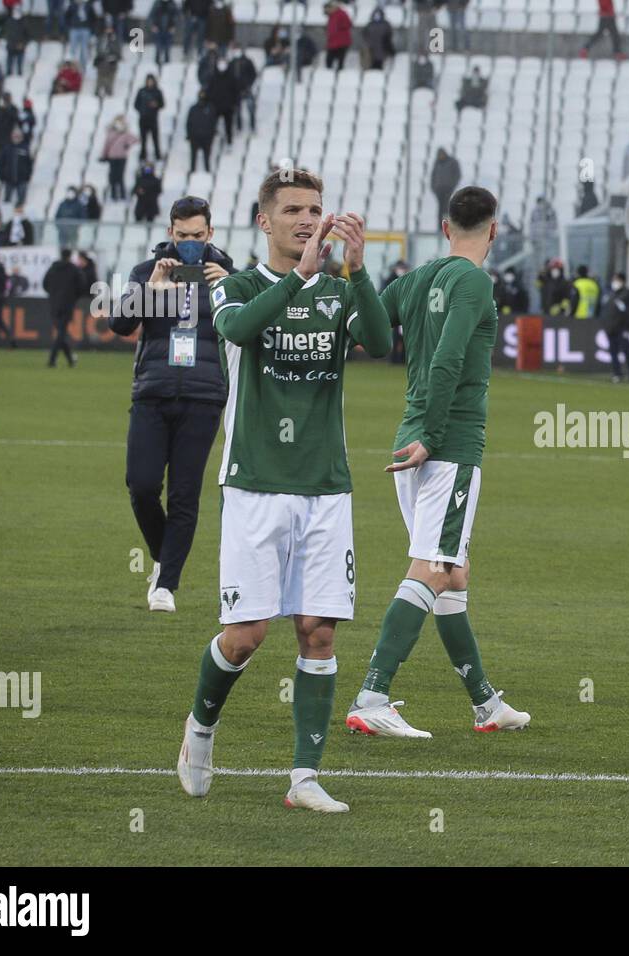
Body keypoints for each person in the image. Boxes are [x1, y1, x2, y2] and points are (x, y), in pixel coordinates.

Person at [176, 168, 392, 813]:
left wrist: (356, 270)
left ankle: (304, 779)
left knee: (318, 634)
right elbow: (239, 331)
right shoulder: (233, 287)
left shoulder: (336, 289)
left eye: (316, 209)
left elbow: (380, 344)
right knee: (244, 637)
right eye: (294, 209)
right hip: (255, 487)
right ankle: (200, 733)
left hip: (326, 487)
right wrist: (299, 276)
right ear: (264, 222)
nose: (308, 218)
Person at [346, 184, 530, 740]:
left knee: (452, 572)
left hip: (411, 443)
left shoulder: (420, 277)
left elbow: (367, 334)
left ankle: (485, 703)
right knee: (431, 568)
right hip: (446, 446)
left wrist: (356, 274)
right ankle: (373, 693)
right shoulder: (475, 282)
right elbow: (450, 356)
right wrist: (432, 433)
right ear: (493, 231)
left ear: (445, 227)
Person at [111, 194, 233, 612]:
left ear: (210, 233)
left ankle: (166, 583)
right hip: (152, 392)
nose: (190, 243)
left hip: (204, 396)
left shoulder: (229, 275)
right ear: (170, 233)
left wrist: (225, 289)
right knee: (141, 485)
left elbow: (248, 329)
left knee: (184, 494)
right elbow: (119, 324)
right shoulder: (146, 272)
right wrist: (151, 292)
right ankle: (165, 554)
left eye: (198, 236)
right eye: (182, 236)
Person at [43, 246, 84, 367]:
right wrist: (74, 297)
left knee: (61, 333)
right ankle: (52, 359)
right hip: (67, 304)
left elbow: (45, 284)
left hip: (54, 304)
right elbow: (81, 286)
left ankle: (70, 360)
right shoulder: (74, 270)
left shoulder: (53, 268)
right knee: (61, 333)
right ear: (70, 256)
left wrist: (53, 294)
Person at [600, 271, 629, 382]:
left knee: (626, 350)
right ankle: (617, 373)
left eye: (617, 280)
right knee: (613, 352)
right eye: (614, 279)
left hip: (623, 327)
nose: (614, 282)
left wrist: (628, 325)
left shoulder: (627, 293)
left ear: (622, 281)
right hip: (611, 327)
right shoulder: (610, 294)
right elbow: (606, 311)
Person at [101, 116, 137, 200]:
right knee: (113, 176)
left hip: (122, 157)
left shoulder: (125, 133)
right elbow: (106, 145)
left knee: (120, 176)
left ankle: (122, 194)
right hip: (112, 157)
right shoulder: (111, 133)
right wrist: (104, 155)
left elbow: (135, 139)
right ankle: (114, 195)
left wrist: (128, 144)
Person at [205, 54, 237, 147]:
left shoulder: (231, 77)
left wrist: (234, 104)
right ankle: (211, 141)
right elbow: (209, 91)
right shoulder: (213, 77)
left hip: (228, 107)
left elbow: (235, 92)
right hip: (215, 106)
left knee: (228, 126)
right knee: (212, 124)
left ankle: (229, 142)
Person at [135, 74, 164, 161]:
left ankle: (157, 154)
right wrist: (142, 110)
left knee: (155, 137)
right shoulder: (141, 91)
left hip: (153, 118)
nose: (150, 82)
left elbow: (162, 104)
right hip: (143, 118)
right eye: (148, 81)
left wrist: (156, 105)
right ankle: (143, 154)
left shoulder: (157, 92)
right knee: (143, 138)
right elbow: (136, 104)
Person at [186, 89, 217, 173]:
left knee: (207, 155)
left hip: (206, 136)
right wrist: (189, 134)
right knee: (193, 155)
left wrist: (211, 134)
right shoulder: (193, 108)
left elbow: (213, 122)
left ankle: (207, 169)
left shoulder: (210, 108)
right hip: (195, 136)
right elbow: (189, 123)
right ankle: (192, 169)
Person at [227, 44, 256, 132]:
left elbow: (253, 74)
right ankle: (239, 127)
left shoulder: (248, 61)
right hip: (236, 89)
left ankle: (252, 126)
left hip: (246, 88)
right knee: (237, 109)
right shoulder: (232, 63)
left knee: (251, 108)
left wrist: (248, 84)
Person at [430, 147, 460, 226]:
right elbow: (433, 175)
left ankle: (446, 225)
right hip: (439, 189)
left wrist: (452, 185)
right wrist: (433, 187)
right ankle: (440, 226)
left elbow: (457, 174)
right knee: (440, 209)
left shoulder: (452, 162)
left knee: (446, 208)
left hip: (448, 188)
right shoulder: (437, 163)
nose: (440, 156)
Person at [64, 0, 94, 73]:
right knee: (72, 49)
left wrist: (91, 28)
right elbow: (67, 16)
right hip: (74, 29)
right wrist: (70, 26)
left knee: (84, 50)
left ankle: (82, 69)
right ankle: (71, 68)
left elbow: (93, 18)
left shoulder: (88, 6)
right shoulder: (72, 5)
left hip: (85, 29)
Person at [362, 7, 394, 71]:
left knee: (379, 64)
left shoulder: (386, 24)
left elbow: (389, 34)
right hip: (371, 48)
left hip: (382, 47)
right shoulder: (370, 24)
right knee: (371, 64)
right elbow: (364, 34)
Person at [1, 6, 30, 76]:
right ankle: (9, 72)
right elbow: (4, 31)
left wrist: (23, 44)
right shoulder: (9, 22)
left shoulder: (23, 23)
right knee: (9, 60)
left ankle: (20, 72)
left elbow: (28, 36)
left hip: (20, 46)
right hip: (11, 45)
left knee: (20, 61)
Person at [94, 24, 121, 97]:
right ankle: (98, 90)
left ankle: (108, 90)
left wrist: (114, 57)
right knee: (100, 76)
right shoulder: (101, 38)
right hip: (102, 60)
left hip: (112, 60)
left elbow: (118, 50)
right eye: (107, 29)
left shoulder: (115, 39)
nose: (108, 30)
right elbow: (99, 49)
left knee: (110, 77)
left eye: (110, 29)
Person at [325, 1, 352, 70]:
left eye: (329, 8)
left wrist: (339, 27)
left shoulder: (341, 14)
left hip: (342, 42)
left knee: (340, 62)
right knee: (329, 61)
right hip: (333, 42)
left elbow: (348, 24)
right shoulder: (331, 16)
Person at [149, 0, 178, 65]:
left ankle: (167, 61)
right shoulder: (157, 3)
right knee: (158, 45)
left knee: (168, 46)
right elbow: (151, 15)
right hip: (158, 28)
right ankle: (156, 61)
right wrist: (153, 25)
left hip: (169, 28)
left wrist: (174, 26)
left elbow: (177, 15)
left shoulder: (172, 4)